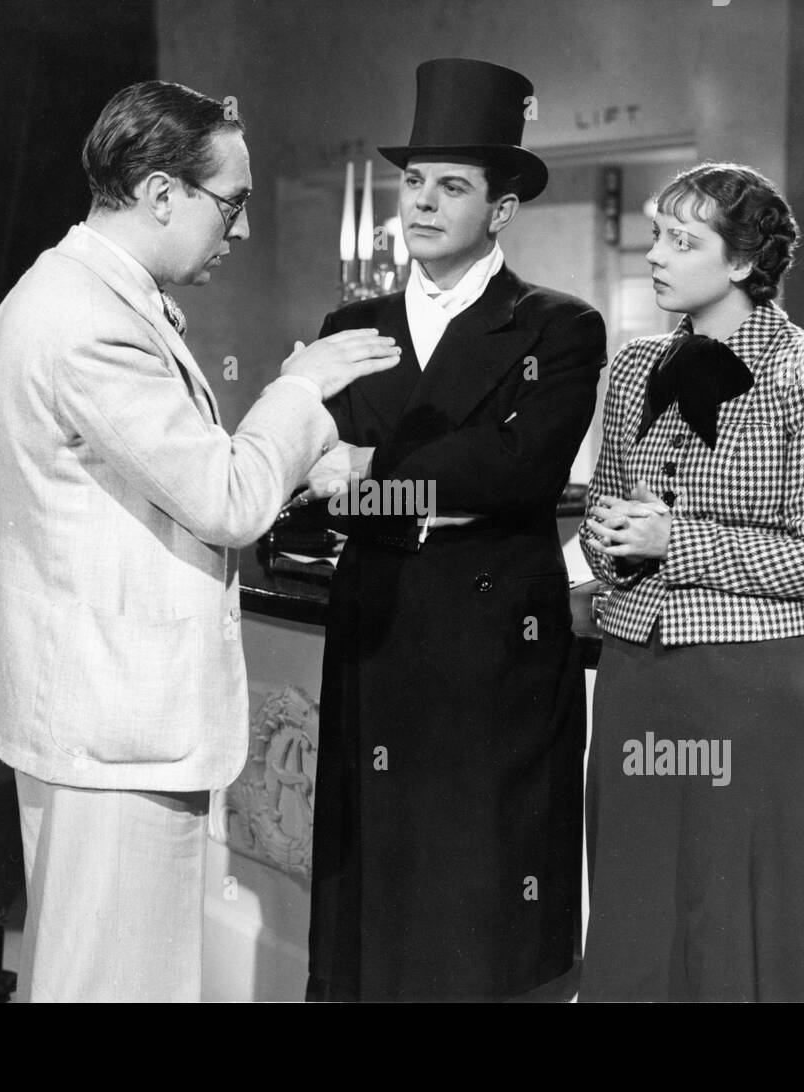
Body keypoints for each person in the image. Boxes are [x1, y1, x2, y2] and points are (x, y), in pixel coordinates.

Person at [0, 80, 399, 1002]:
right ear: (160, 194)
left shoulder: (69, 292)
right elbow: (226, 499)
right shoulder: (92, 321)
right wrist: (301, 391)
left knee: (93, 969)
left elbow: (70, 481)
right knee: (117, 981)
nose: (244, 230)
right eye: (235, 204)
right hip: (115, 716)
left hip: (93, 704)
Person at [298, 58, 607, 1002]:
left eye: (453, 186)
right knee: (375, 888)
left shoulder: (557, 325)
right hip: (377, 628)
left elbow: (523, 476)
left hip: (495, 646)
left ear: (502, 208)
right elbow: (324, 489)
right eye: (414, 182)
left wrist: (373, 473)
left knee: (485, 896)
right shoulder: (351, 326)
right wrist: (405, 485)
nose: (421, 203)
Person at [579, 162, 804, 1002]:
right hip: (636, 674)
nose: (656, 256)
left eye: (682, 240)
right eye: (658, 234)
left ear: (742, 263)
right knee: (635, 905)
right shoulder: (634, 369)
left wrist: (674, 541)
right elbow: (604, 521)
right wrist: (613, 543)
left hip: (750, 685)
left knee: (742, 906)